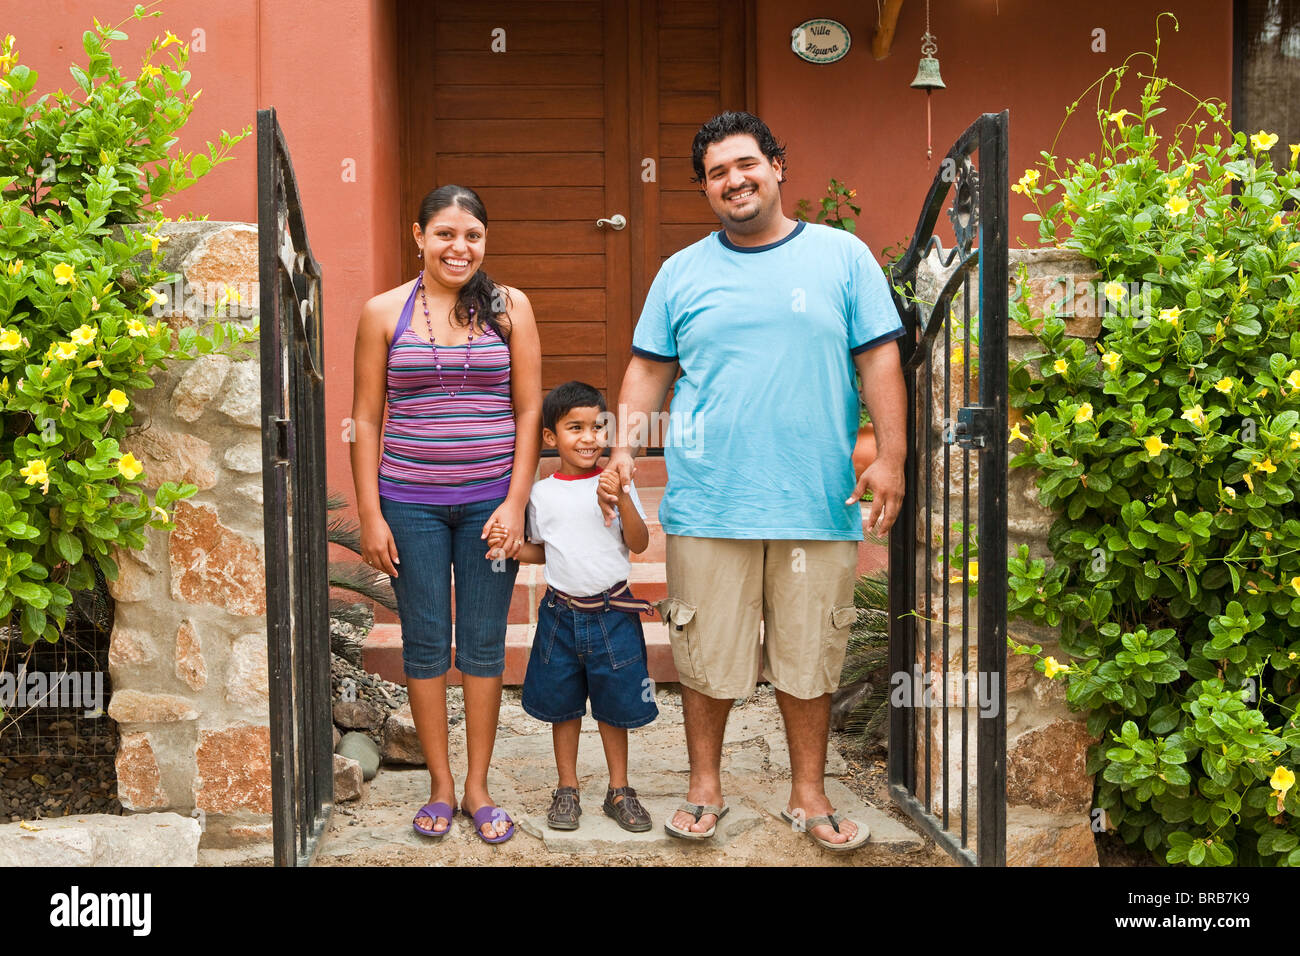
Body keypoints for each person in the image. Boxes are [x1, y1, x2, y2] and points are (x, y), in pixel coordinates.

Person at [599, 112, 907, 850]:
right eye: (715, 173)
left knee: (811, 654)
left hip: (815, 496)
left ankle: (810, 792)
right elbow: (648, 368)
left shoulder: (844, 257)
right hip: (711, 500)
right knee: (706, 654)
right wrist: (624, 450)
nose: (733, 181)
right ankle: (705, 787)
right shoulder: (682, 272)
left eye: (745, 164)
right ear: (705, 188)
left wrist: (890, 459)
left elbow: (881, 364)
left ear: (776, 166)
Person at [350, 184, 542, 844]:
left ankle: (478, 786)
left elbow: (528, 412)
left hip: (492, 505)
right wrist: (371, 514)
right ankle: (440, 784)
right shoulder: (382, 313)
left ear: (484, 242)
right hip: (410, 505)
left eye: (472, 237)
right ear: (418, 236)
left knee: (485, 644)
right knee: (427, 642)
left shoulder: (510, 308)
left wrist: (516, 504)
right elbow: (368, 418)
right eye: (445, 234)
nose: (458, 247)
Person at [489, 381, 659, 832]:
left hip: (613, 616)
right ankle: (568, 788)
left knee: (615, 706)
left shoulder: (618, 481)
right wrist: (509, 547)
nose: (589, 438)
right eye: (575, 428)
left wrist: (621, 496)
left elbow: (639, 543)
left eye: (597, 427)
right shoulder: (542, 494)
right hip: (560, 616)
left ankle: (619, 790)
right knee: (563, 707)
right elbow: (546, 550)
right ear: (550, 438)